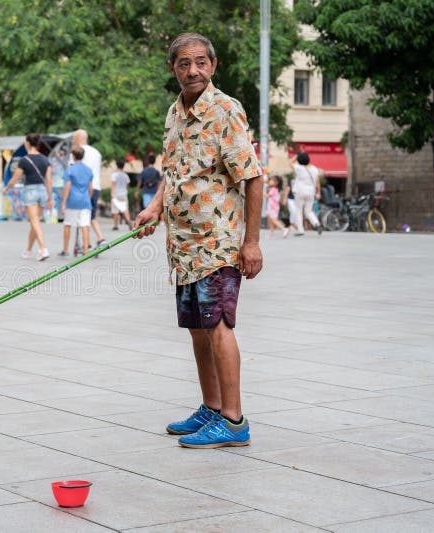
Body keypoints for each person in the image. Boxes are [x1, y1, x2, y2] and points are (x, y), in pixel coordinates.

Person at [133, 32, 263, 449]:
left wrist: (252, 242)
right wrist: (155, 208)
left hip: (218, 242)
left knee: (220, 325)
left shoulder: (226, 110)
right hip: (183, 245)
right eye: (184, 63)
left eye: (201, 62)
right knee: (197, 328)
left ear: (214, 64)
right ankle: (211, 407)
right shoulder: (174, 113)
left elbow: (253, 177)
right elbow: (172, 170)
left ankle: (234, 420)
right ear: (173, 68)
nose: (193, 70)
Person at [3, 134, 54, 261]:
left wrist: (6, 189)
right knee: (34, 223)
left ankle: (43, 249)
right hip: (42, 191)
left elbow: (15, 178)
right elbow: (49, 181)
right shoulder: (45, 159)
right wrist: (50, 198)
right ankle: (28, 250)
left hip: (30, 191)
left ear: (27, 143)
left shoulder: (24, 160)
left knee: (35, 222)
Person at [72, 129, 105, 247]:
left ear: (78, 139)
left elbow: (76, 171)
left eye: (74, 139)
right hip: (96, 187)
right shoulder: (97, 153)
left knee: (83, 216)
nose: (73, 141)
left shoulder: (77, 152)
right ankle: (99, 238)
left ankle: (89, 243)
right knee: (91, 215)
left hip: (83, 188)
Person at [59, 147, 94, 256]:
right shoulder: (88, 170)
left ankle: (65, 250)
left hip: (72, 201)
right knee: (85, 225)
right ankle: (86, 250)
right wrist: (89, 198)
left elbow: (68, 186)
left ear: (73, 156)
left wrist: (63, 203)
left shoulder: (70, 169)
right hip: (85, 201)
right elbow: (90, 188)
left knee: (68, 224)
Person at [290, 151, 322, 236]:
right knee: (308, 211)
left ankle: (301, 230)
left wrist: (297, 155)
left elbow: (290, 163)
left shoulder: (298, 168)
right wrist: (319, 192)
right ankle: (316, 223)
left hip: (300, 191)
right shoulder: (314, 169)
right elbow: (317, 182)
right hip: (311, 192)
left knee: (298, 211)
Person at [110, 159, 131, 230]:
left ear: (116, 165)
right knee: (125, 209)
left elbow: (113, 184)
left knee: (115, 210)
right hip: (124, 194)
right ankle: (128, 221)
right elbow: (128, 185)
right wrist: (125, 190)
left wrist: (111, 193)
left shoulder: (114, 175)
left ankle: (116, 225)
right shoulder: (125, 175)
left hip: (116, 194)